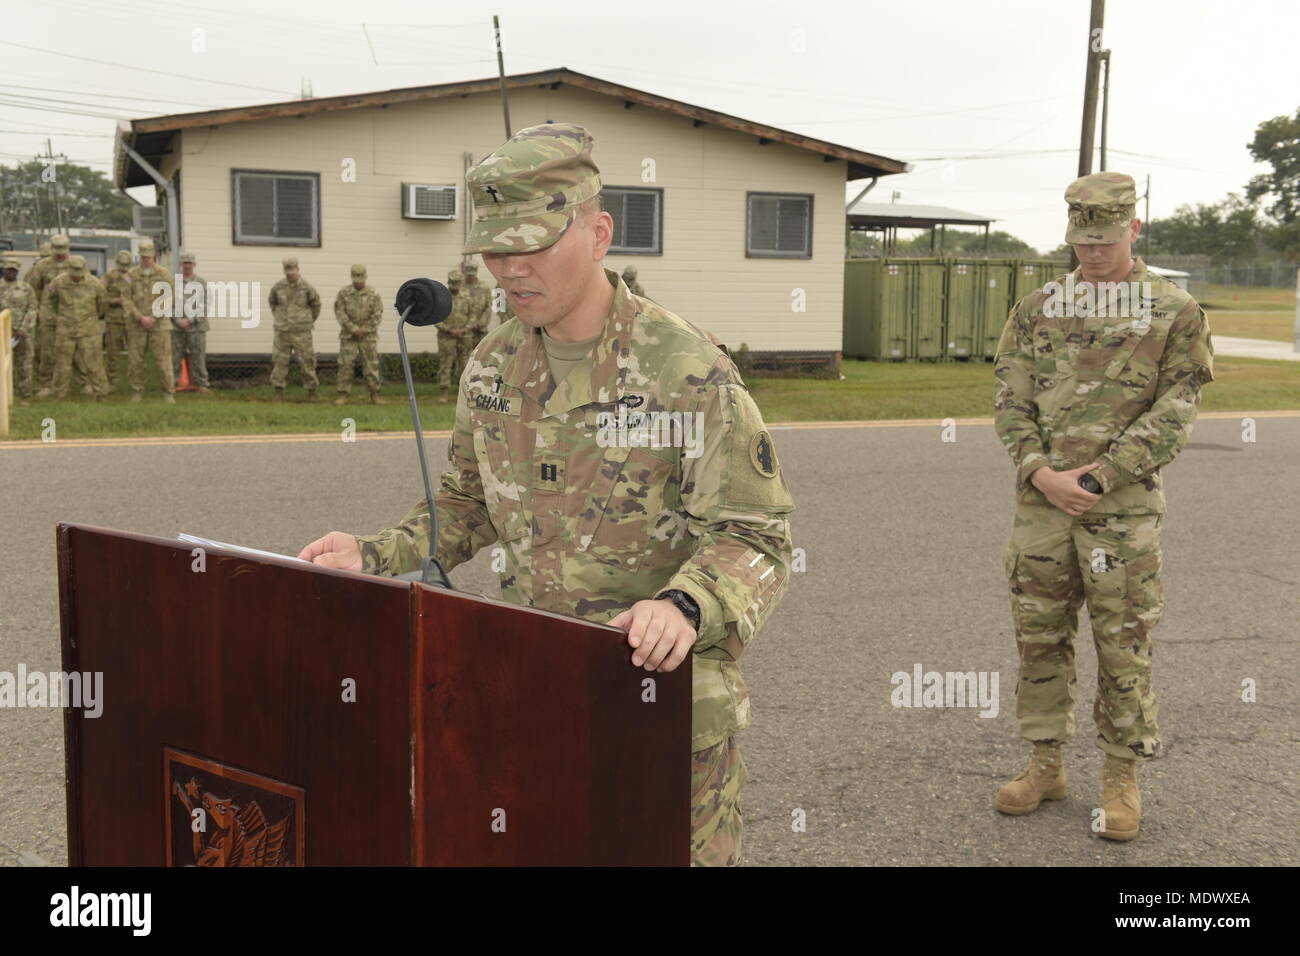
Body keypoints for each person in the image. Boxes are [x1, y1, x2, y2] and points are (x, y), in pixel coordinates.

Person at [298, 123, 795, 866]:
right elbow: (468, 504)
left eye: (531, 245)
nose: (509, 269)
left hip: (662, 712)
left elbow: (757, 536)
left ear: (599, 234)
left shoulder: (685, 372)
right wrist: (371, 554)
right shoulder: (492, 366)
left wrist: (685, 604)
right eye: (495, 250)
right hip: (534, 693)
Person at [992, 171, 1215, 842]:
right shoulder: (1038, 308)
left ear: (1133, 230)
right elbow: (1010, 396)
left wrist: (1102, 475)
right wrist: (1038, 469)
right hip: (1041, 508)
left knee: (1123, 645)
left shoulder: (1174, 310)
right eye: (1082, 242)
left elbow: (1178, 408)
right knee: (1039, 639)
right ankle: (1045, 763)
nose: (1092, 255)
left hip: (1121, 508)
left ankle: (1121, 777)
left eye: (1106, 242)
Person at [37, 255, 110, 401]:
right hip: (65, 330)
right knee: (62, 365)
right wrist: (57, 318)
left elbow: (103, 304)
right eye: (74, 273)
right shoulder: (58, 282)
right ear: (69, 269)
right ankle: (58, 395)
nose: (77, 277)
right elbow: (49, 301)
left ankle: (101, 394)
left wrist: (91, 318)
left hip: (89, 330)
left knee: (94, 363)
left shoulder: (95, 283)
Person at [125, 238, 175, 403]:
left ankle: (168, 393)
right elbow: (125, 298)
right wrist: (140, 317)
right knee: (135, 361)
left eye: (148, 256)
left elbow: (169, 297)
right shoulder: (130, 275)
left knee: (163, 361)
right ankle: (136, 391)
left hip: (159, 325)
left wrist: (154, 316)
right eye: (143, 257)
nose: (146, 259)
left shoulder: (164, 274)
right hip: (137, 324)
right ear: (139, 256)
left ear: (153, 254)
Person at [268, 256, 321, 402]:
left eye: (292, 271)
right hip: (283, 331)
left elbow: (316, 305)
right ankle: (278, 392)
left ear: (298, 269)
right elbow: (272, 303)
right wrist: (281, 318)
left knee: (306, 361)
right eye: (287, 271)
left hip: (301, 332)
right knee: (280, 361)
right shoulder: (278, 287)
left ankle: (311, 392)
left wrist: (306, 320)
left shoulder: (307, 287)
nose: (290, 274)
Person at [333, 264, 385, 405]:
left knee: (371, 365)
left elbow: (378, 314)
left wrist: (365, 329)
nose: (359, 282)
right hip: (349, 336)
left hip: (368, 337)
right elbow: (340, 312)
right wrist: (353, 329)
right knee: (345, 365)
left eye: (361, 279)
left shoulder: (374, 294)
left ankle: (374, 394)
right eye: (356, 279)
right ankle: (343, 394)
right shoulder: (343, 293)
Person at [171, 251, 212, 394]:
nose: (187, 266)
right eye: (185, 263)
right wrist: (177, 320)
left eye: (190, 263)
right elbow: (168, 303)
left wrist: (190, 319)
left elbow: (205, 304)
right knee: (175, 356)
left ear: (194, 265)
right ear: (181, 264)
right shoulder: (174, 283)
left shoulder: (201, 283)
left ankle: (202, 384)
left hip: (196, 326)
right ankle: (173, 384)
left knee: (198, 355)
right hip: (177, 327)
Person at [1, 257, 38, 404]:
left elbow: (33, 308)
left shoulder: (26, 288)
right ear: (4, 269)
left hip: (23, 333)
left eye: (14, 270)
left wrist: (23, 329)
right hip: (3, 332)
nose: (11, 273)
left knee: (25, 364)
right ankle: (3, 394)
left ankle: (25, 395)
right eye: (8, 269)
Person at [435, 268, 472, 404]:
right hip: (446, 337)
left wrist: (465, 329)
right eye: (453, 284)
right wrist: (449, 330)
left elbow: (473, 315)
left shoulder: (467, 296)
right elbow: (436, 318)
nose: (455, 287)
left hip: (464, 335)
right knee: (445, 364)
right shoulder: (441, 297)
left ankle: (464, 393)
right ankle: (444, 393)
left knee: (465, 364)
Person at [101, 250, 134, 390]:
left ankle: (135, 381)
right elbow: (100, 296)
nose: (124, 267)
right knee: (112, 352)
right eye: (121, 264)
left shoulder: (134, 276)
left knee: (135, 353)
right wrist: (115, 300)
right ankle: (112, 381)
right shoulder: (109, 277)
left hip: (132, 319)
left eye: (126, 264)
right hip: (114, 319)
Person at [460, 260, 492, 351]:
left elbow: (488, 307)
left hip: (480, 330)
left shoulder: (484, 287)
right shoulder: (459, 287)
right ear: (465, 272)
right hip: (464, 331)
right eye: (469, 275)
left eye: (472, 274)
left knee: (481, 357)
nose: (471, 277)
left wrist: (480, 323)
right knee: (464, 359)